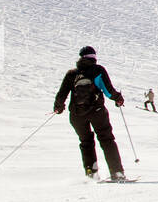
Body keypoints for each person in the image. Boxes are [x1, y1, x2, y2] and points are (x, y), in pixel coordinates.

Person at [53, 45, 126, 180]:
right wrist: (118, 99)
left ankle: (91, 174)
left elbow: (61, 94)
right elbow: (108, 90)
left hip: (76, 115)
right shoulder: (98, 70)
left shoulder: (72, 74)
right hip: (97, 112)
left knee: (86, 142)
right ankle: (117, 173)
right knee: (106, 140)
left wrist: (58, 107)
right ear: (94, 57)